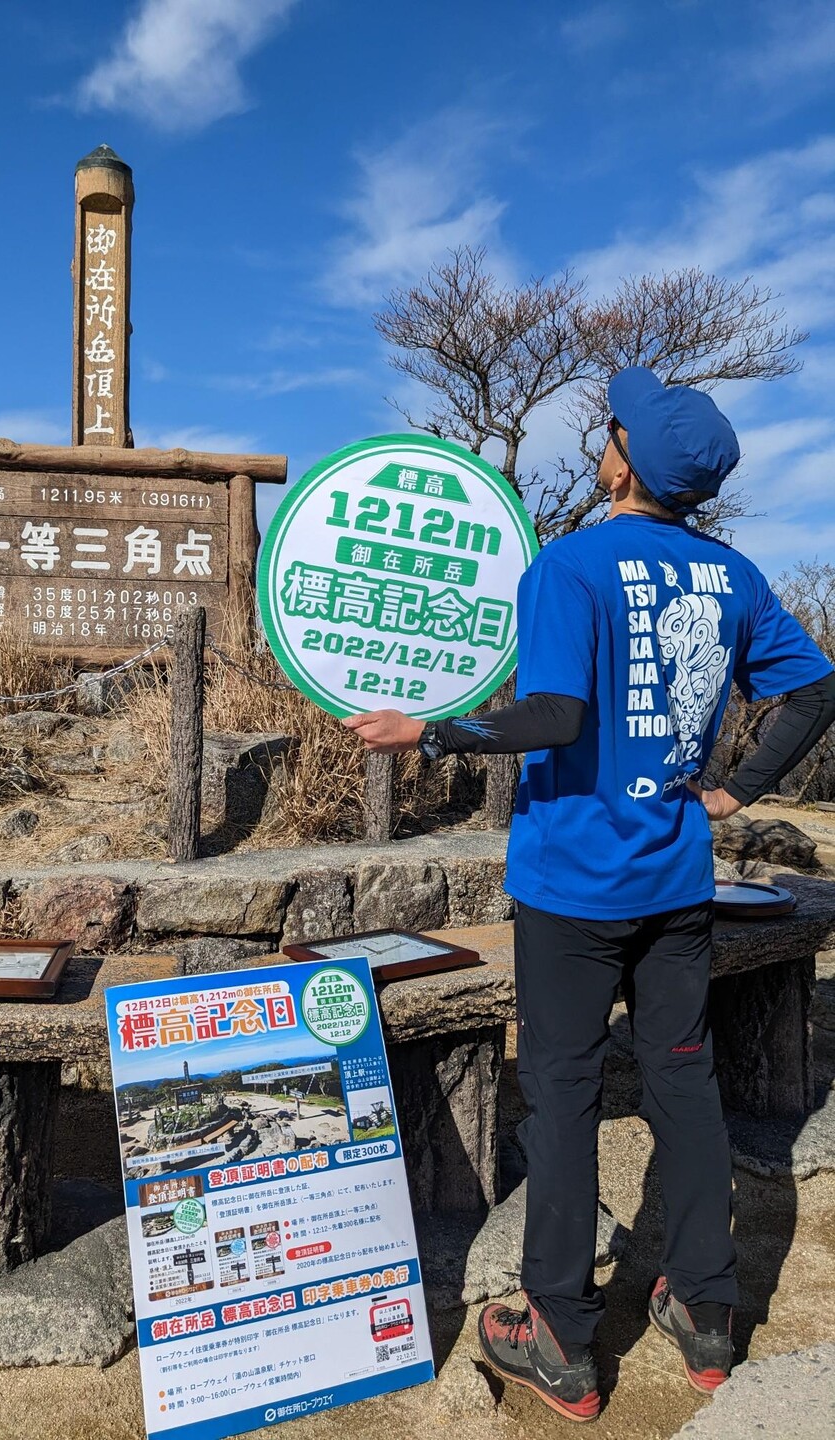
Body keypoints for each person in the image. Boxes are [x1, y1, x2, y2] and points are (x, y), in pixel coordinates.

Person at [342, 367, 835, 1422]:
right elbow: (817, 688)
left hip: (571, 885)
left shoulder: (570, 568)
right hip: (673, 878)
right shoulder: (732, 577)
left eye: (611, 428)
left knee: (561, 1094)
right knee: (684, 1081)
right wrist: (734, 789)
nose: (602, 437)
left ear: (626, 459)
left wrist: (425, 728)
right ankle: (707, 1313)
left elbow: (556, 717)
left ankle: (560, 1333)